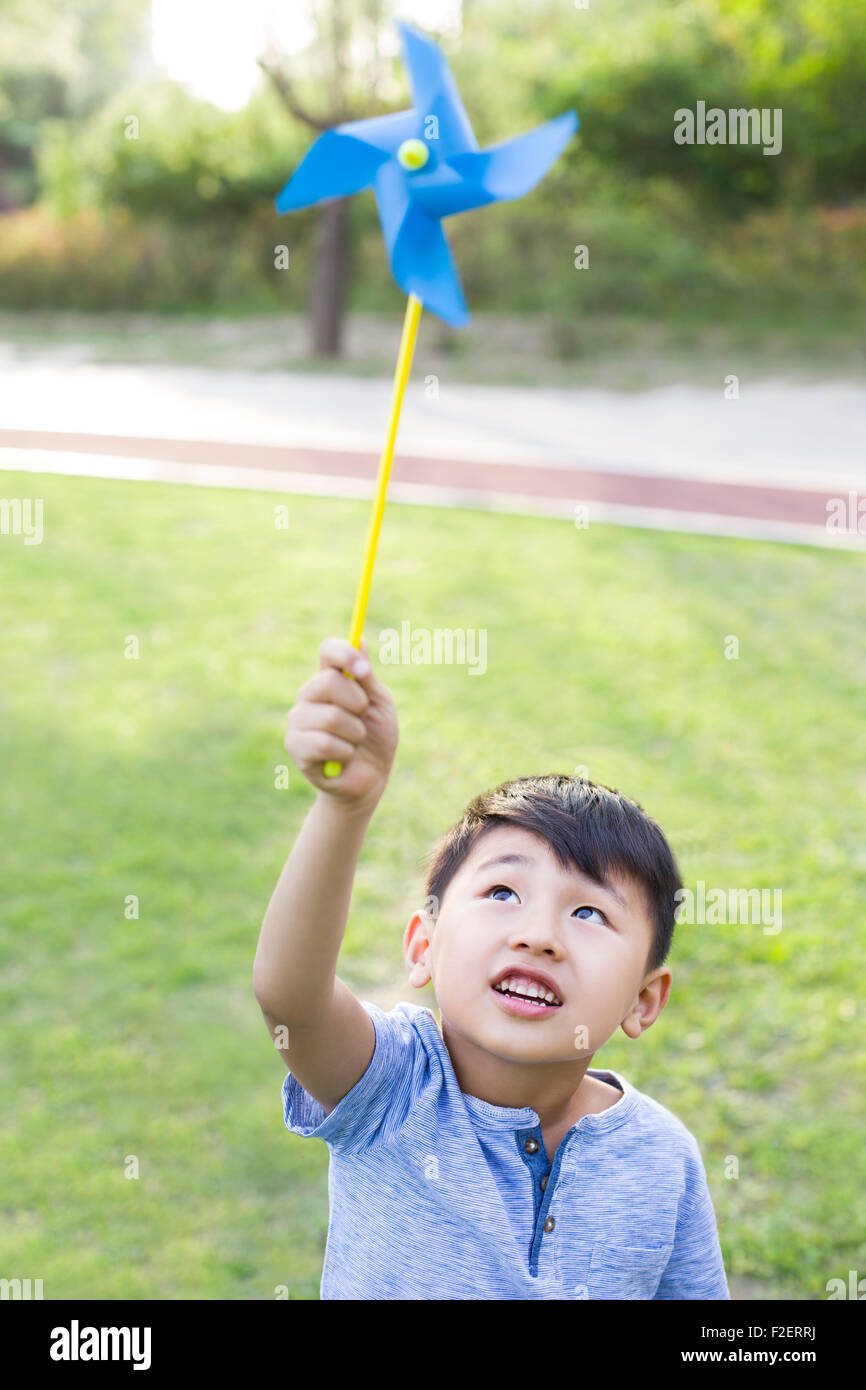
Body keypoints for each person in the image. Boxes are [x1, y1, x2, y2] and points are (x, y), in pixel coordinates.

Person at [253, 635, 730, 1300]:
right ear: (423, 944)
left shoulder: (662, 1158)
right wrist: (346, 805)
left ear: (643, 1002)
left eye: (589, 914)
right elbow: (290, 1000)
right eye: (503, 892)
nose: (539, 936)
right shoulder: (392, 1086)